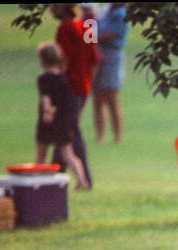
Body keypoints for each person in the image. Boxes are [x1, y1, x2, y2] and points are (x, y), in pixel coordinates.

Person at [52, 4, 99, 189]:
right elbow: (95, 57)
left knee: (67, 133)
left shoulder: (65, 28)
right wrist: (88, 80)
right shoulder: (88, 25)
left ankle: (77, 179)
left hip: (69, 86)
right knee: (70, 130)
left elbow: (62, 59)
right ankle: (57, 175)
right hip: (83, 86)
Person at [34, 44, 89, 189]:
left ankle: (37, 181)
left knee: (41, 153)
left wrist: (47, 113)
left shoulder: (44, 79)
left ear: (42, 60)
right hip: (64, 120)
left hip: (49, 120)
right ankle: (82, 180)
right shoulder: (65, 79)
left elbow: (46, 97)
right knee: (68, 153)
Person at [92, 2, 128, 144]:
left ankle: (117, 137)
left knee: (112, 97)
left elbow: (111, 34)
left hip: (111, 56)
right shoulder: (105, 11)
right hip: (97, 54)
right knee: (97, 98)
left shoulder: (120, 14)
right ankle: (100, 137)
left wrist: (89, 35)